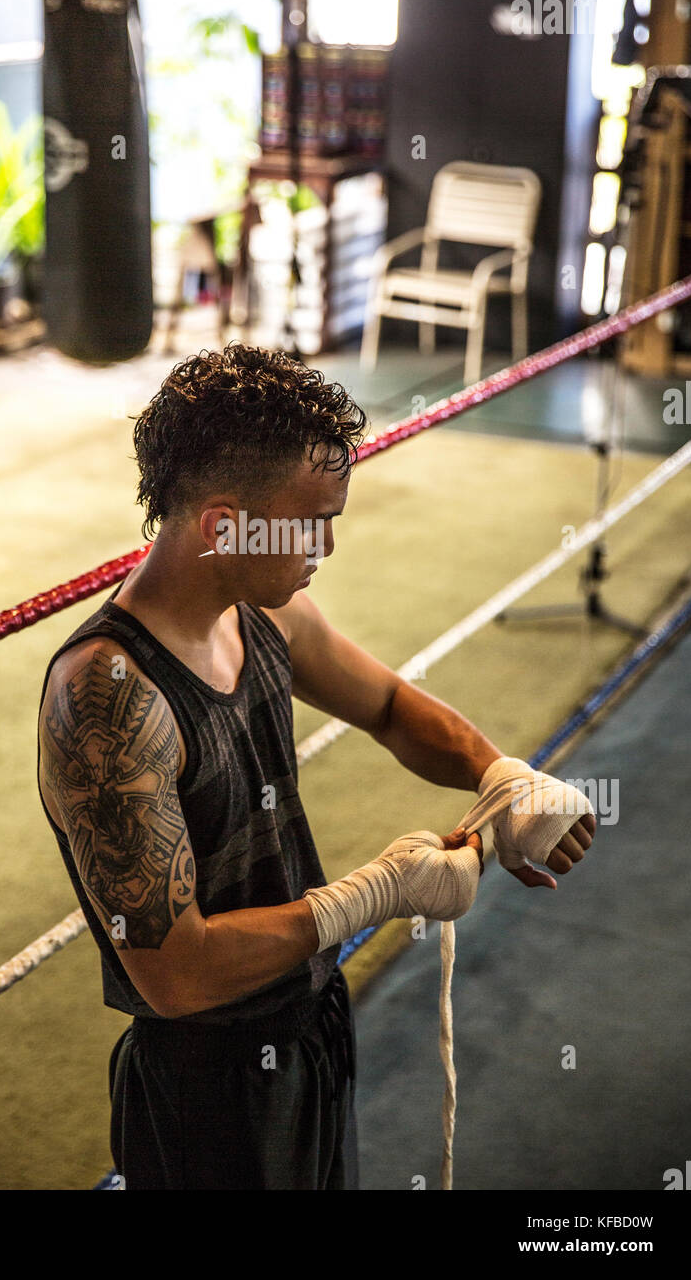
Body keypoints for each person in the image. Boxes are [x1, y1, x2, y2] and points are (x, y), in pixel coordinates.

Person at [36, 342, 595, 1190]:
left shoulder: (268, 615)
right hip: (206, 1088)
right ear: (223, 522)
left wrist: (501, 777)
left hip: (311, 1028)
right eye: (311, 520)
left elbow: (390, 707)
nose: (327, 544)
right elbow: (176, 971)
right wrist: (379, 893)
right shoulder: (109, 701)